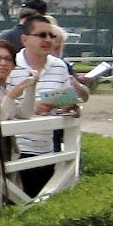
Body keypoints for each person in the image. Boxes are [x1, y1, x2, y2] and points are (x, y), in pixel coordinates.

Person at [6, 15, 80, 196]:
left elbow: (65, 98)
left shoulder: (60, 66)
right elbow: (1, 104)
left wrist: (68, 106)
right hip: (15, 150)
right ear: (25, 39)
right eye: (41, 35)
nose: (48, 40)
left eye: (51, 36)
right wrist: (30, 106)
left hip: (46, 149)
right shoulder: (9, 65)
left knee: (41, 201)